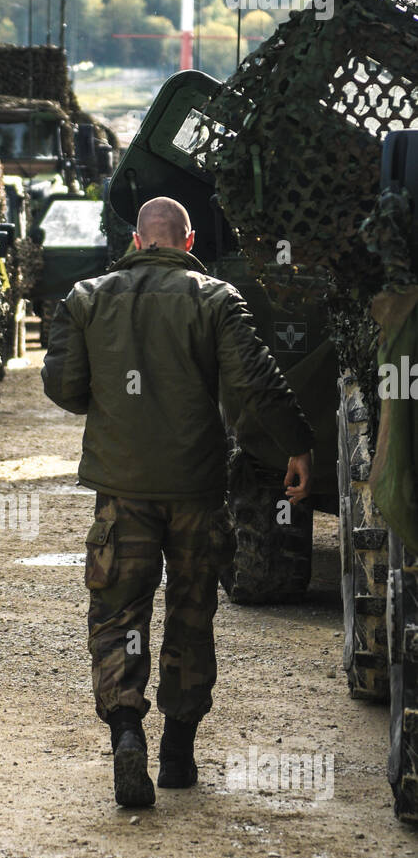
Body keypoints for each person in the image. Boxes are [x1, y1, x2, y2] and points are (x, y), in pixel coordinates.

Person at [41, 196, 313, 809]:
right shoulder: (215, 299)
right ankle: (179, 754)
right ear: (187, 242)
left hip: (123, 492)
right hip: (196, 490)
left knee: (118, 618)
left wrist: (111, 398)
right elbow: (257, 380)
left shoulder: (87, 298)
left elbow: (63, 385)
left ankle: (127, 732)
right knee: (191, 617)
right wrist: (297, 445)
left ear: (137, 242)